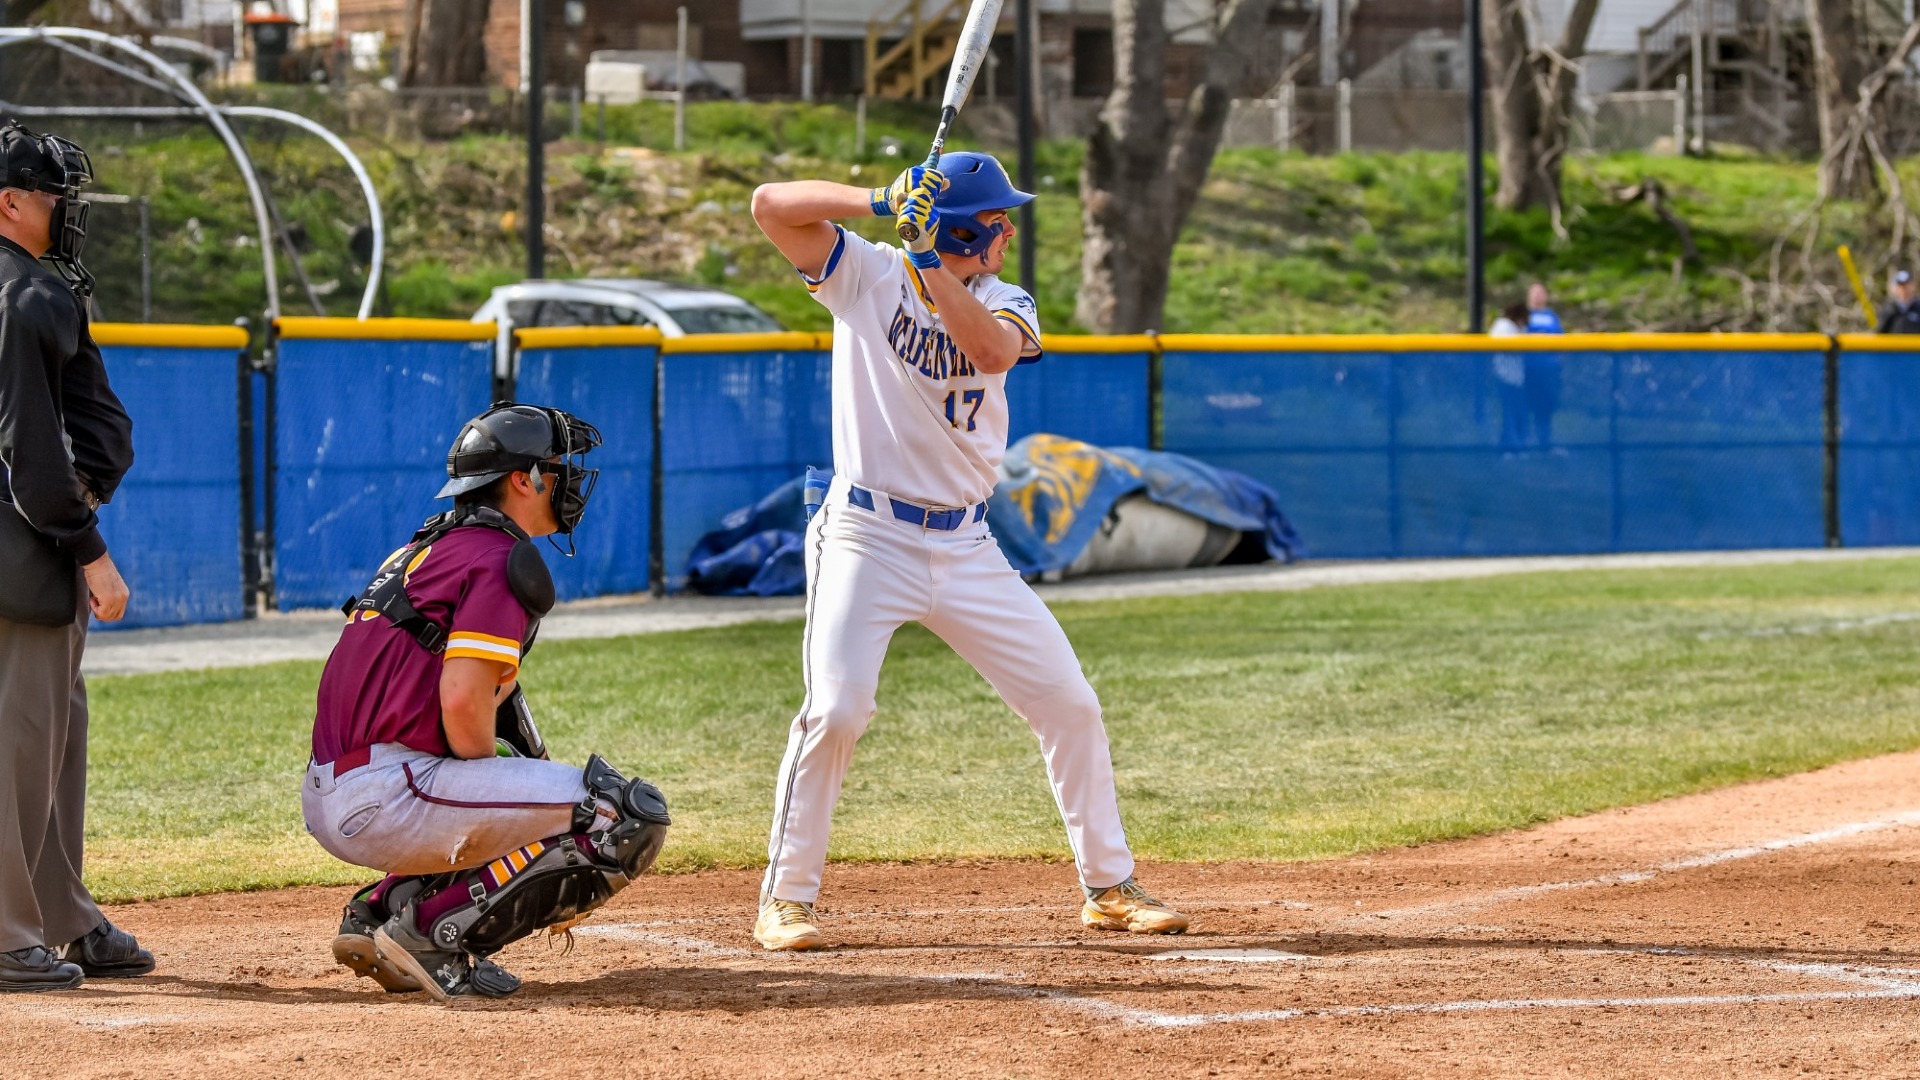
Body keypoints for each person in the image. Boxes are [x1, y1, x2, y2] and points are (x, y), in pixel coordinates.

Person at [745, 152, 1189, 951]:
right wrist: (880, 201)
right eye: (994, 219)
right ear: (962, 228)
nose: (1008, 229)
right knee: (837, 710)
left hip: (968, 545)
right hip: (865, 535)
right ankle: (786, 897)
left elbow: (989, 353)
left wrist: (927, 262)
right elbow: (771, 205)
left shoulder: (1001, 297)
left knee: (1069, 704)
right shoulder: (865, 274)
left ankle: (1109, 886)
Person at [302, 403, 670, 1002]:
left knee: (549, 801)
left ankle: (381, 912)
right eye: (558, 467)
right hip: (391, 790)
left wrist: (529, 820)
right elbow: (465, 702)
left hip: (340, 788)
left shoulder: (429, 544)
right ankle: (430, 934)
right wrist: (537, 849)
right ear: (523, 479)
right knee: (620, 818)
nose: (569, 481)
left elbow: (491, 705)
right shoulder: (496, 557)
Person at [0, 121, 152, 993]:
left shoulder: (31, 287)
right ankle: (10, 927)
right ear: (9, 202)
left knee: (58, 736)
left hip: (32, 542)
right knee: (21, 744)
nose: (67, 209)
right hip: (29, 543)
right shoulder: (20, 295)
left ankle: (62, 915)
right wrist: (92, 549)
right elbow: (31, 450)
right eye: (54, 193)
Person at [1523, 282, 1565, 450]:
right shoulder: (1524, 315)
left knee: (1545, 407)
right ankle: (1524, 443)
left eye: (1541, 293)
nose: (1538, 296)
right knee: (1526, 406)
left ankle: (1544, 443)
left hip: (1549, 370)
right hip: (1529, 369)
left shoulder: (1551, 316)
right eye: (1534, 293)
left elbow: (1560, 339)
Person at [1489, 301, 1529, 453]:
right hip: (1505, 378)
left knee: (1517, 413)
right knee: (1509, 415)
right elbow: (1512, 349)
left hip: (1516, 379)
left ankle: (1515, 446)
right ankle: (1509, 447)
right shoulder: (1504, 326)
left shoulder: (1518, 327)